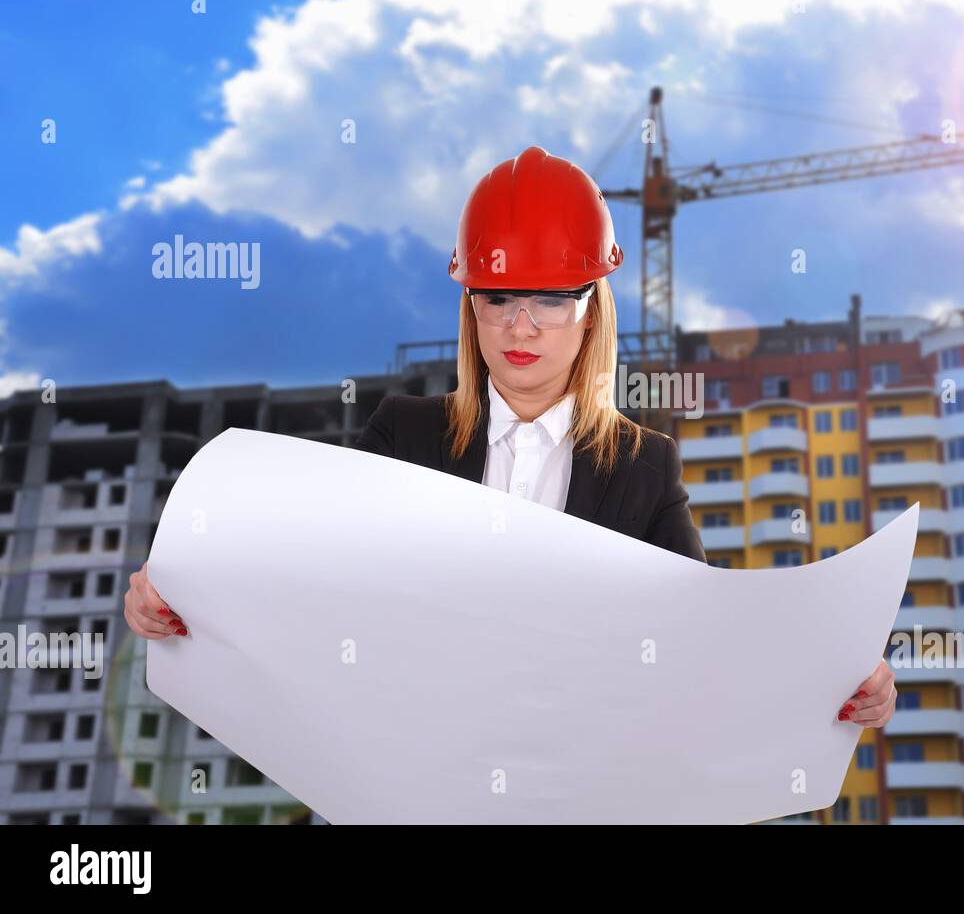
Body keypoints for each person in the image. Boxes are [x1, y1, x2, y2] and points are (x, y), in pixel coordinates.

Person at [122, 145, 896, 730]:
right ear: (470, 305)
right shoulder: (404, 434)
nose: (520, 325)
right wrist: (184, 587)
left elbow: (706, 637)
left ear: (591, 306)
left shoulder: (640, 467)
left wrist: (833, 681)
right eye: (497, 297)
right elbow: (305, 568)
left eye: (550, 300)